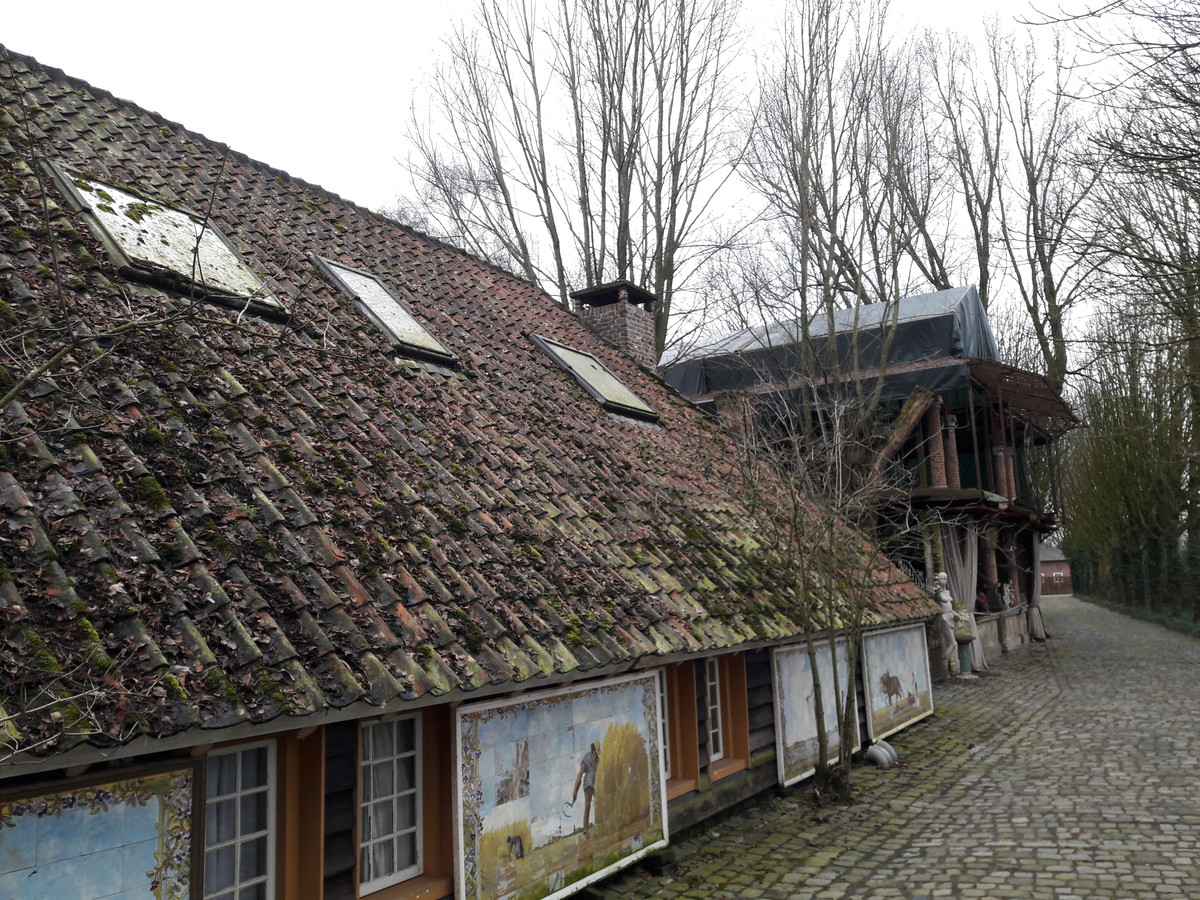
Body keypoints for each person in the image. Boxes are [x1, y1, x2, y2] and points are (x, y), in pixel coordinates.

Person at [572, 741, 600, 834]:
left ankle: (599, 825)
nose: (597, 753)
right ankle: (586, 831)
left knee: (599, 803)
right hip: (588, 784)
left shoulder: (598, 760)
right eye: (597, 751)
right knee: (587, 806)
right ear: (594, 750)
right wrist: (575, 790)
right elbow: (580, 774)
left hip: (596, 784)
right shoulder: (587, 758)